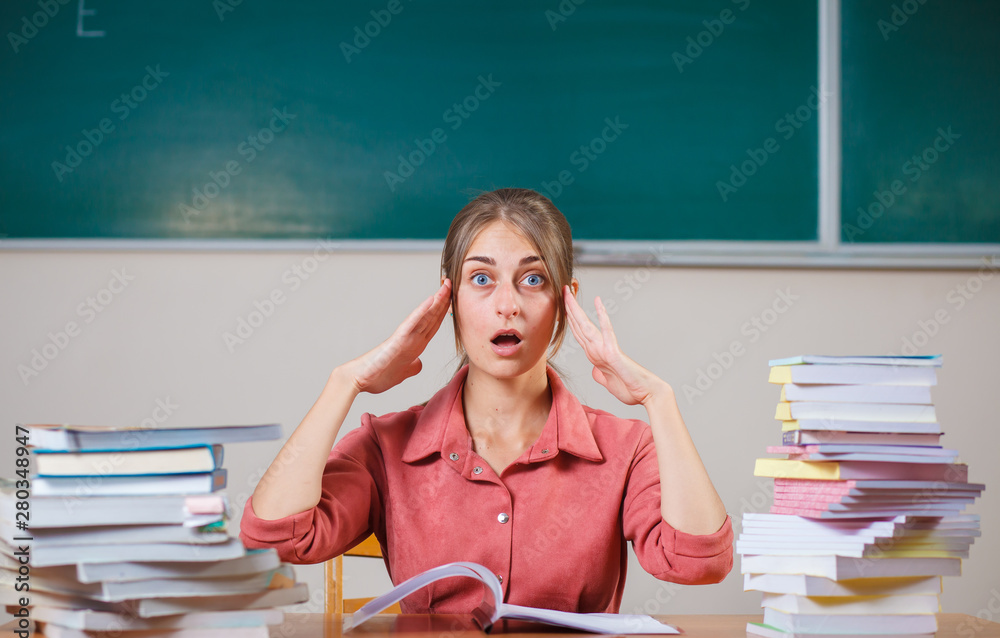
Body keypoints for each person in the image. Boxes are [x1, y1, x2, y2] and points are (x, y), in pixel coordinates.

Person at [240, 188, 732, 614]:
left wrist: (658, 399)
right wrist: (343, 383)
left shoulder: (627, 446)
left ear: (566, 302)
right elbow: (274, 536)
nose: (508, 304)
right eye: (481, 279)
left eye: (533, 279)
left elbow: (699, 564)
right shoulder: (387, 445)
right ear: (449, 300)